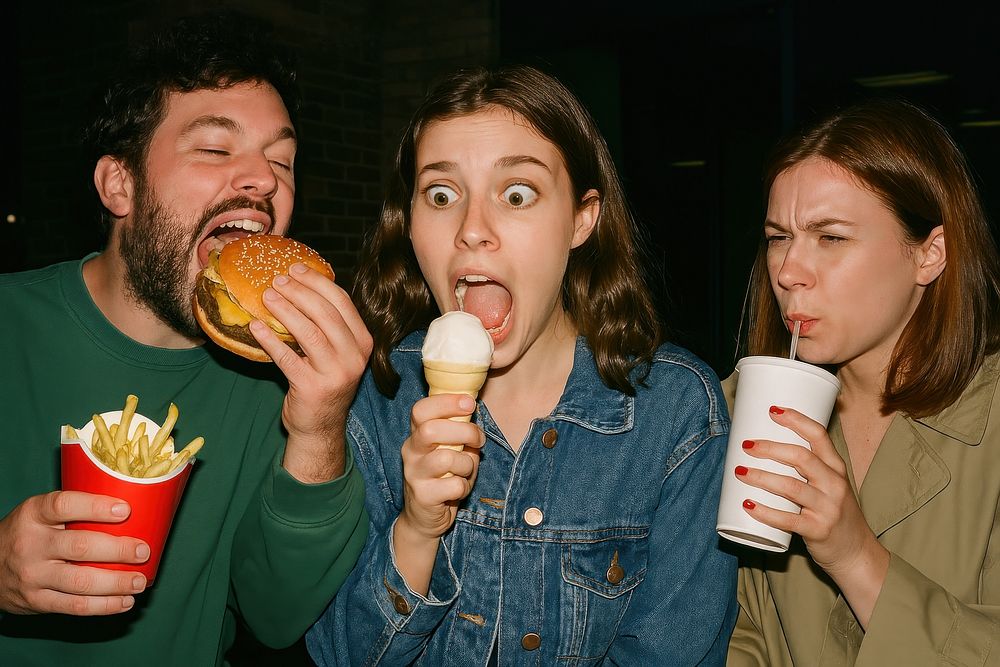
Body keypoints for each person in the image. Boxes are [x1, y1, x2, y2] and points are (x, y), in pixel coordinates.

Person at [305, 65, 737, 665]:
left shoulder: (675, 411)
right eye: (441, 195)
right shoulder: (375, 398)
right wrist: (416, 532)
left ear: (582, 218)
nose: (472, 231)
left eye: (516, 194)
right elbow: (337, 655)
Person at [0, 12, 369, 666]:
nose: (264, 181)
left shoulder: (277, 383)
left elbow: (278, 616)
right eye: (216, 148)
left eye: (282, 160)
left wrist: (319, 430)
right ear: (121, 184)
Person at [725, 98, 1000, 665]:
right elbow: (731, 623)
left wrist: (855, 558)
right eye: (779, 237)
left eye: (831, 238)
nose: (788, 272)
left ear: (929, 253)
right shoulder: (737, 409)